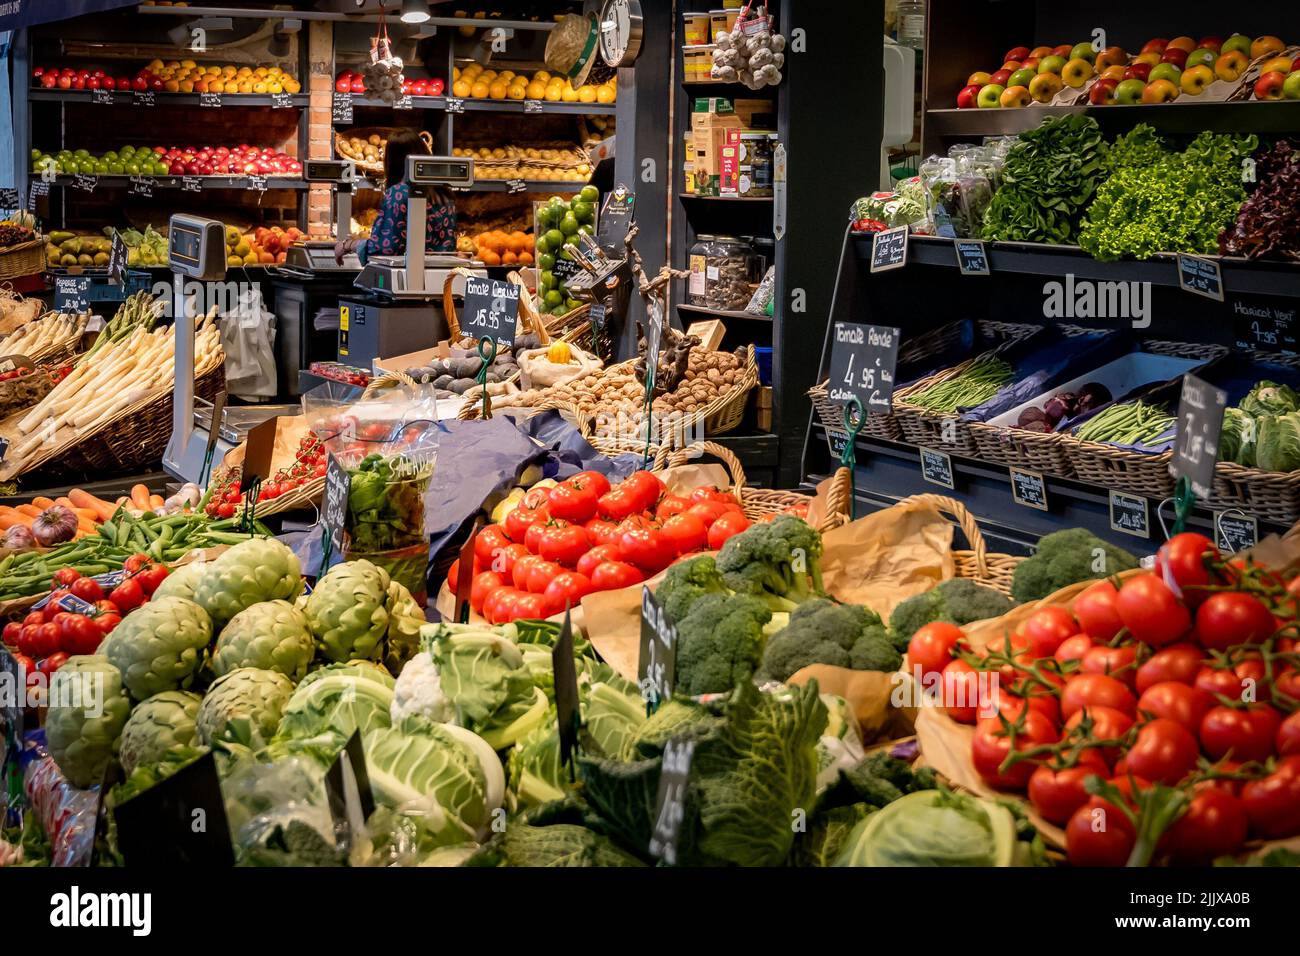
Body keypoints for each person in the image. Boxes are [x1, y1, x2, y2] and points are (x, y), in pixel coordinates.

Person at [336, 129, 457, 264]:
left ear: (392, 161)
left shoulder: (398, 193)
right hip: (444, 274)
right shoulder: (444, 193)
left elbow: (384, 247)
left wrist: (349, 245)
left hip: (406, 276)